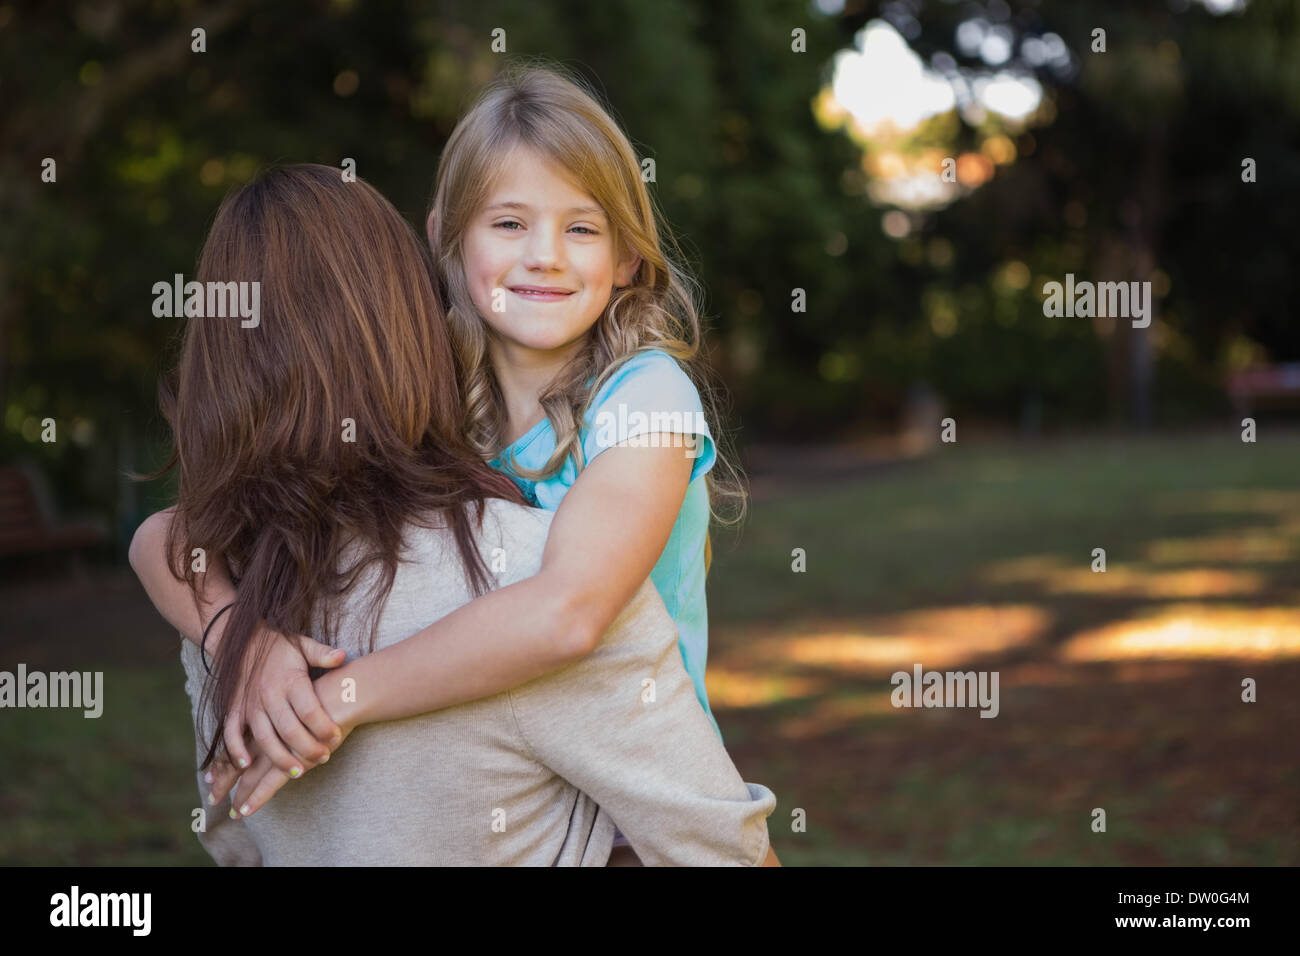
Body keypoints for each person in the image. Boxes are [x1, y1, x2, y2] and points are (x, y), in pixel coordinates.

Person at [135, 163, 776, 865]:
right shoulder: (527, 575)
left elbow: (239, 844)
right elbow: (727, 855)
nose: (544, 255)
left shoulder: (224, 603)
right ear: (413, 310)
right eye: (508, 223)